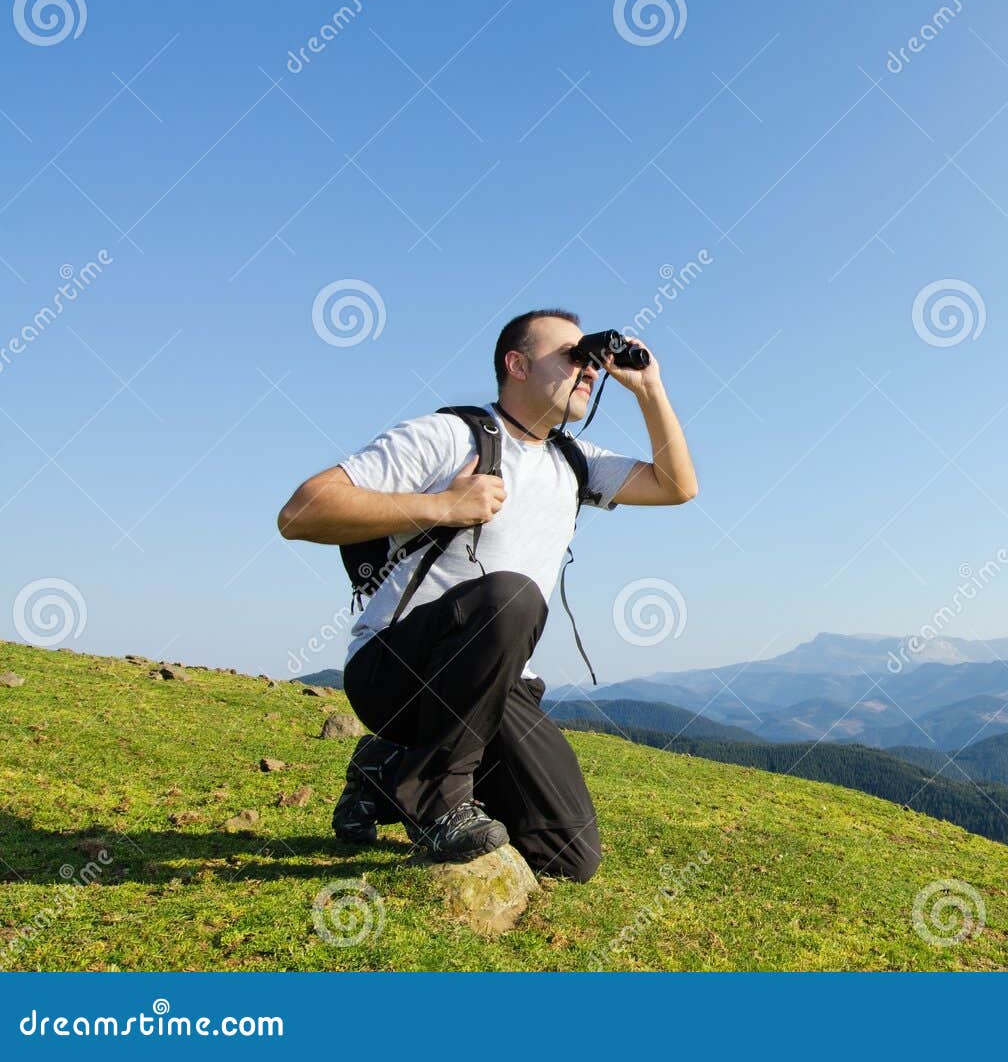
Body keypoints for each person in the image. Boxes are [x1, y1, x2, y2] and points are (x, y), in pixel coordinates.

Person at [275, 310, 697, 876]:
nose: (590, 369)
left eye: (592, 358)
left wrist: (649, 388)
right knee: (512, 597)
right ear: (516, 365)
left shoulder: (575, 461)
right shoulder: (449, 436)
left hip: (493, 686)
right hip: (397, 670)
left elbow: (677, 486)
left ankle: (384, 770)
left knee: (568, 855)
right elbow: (301, 511)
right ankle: (436, 797)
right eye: (573, 356)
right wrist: (441, 506)